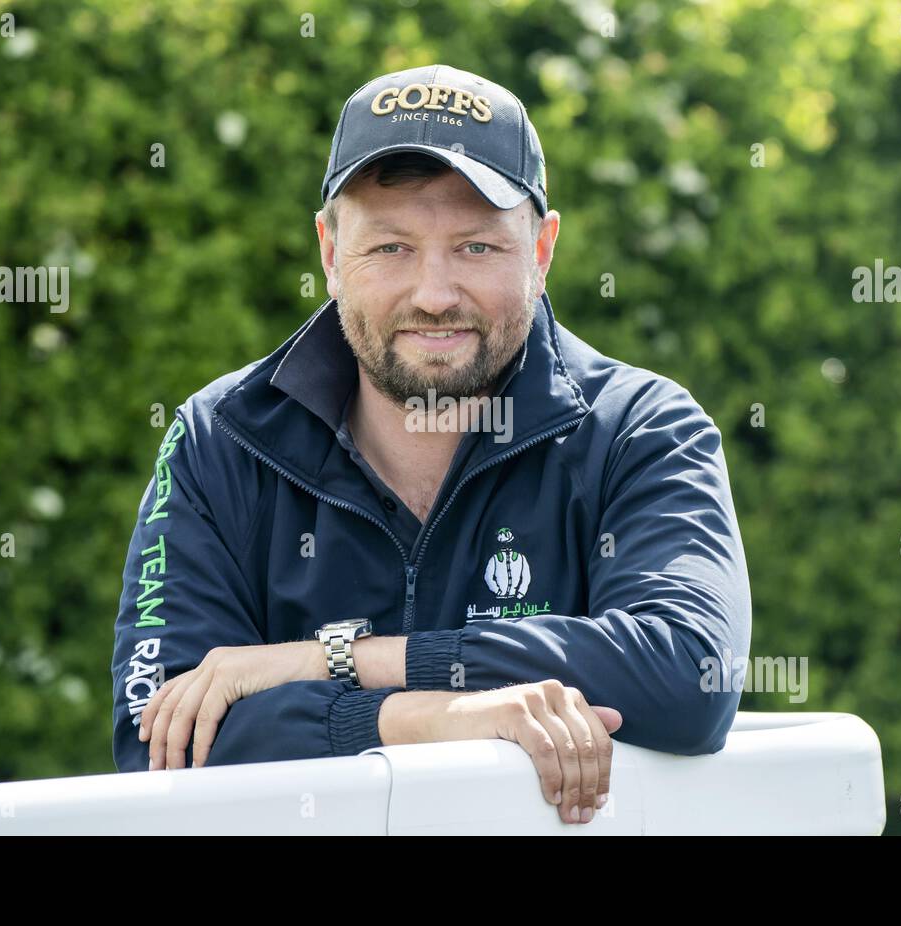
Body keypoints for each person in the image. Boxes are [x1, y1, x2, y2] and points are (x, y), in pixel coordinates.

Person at [111, 64, 751, 826]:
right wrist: (421, 719)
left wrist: (331, 661)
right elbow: (159, 735)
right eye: (390, 248)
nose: (435, 293)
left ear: (542, 251)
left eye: (477, 247)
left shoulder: (640, 428)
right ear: (328, 250)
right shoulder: (219, 439)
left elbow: (690, 676)